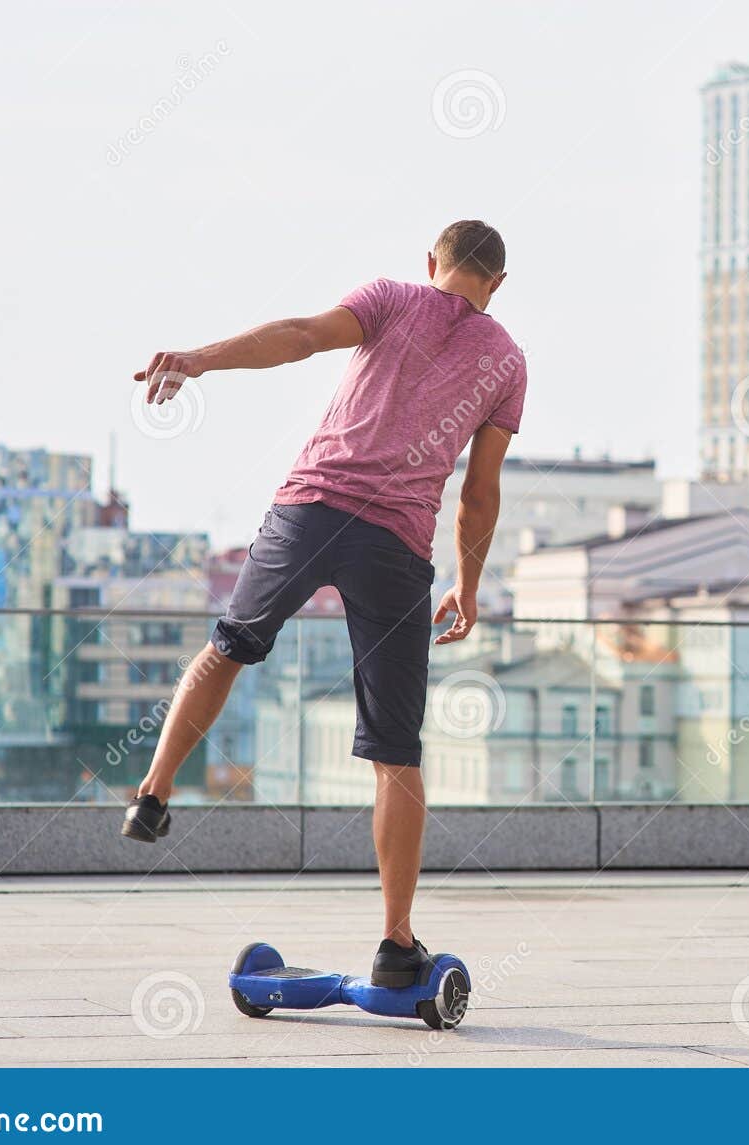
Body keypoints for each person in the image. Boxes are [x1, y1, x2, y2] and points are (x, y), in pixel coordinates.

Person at [121, 220, 525, 988]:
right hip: (396, 545)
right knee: (396, 751)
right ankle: (396, 942)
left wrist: (199, 360)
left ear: (430, 262)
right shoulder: (507, 360)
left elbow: (302, 336)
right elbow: (479, 493)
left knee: (229, 646)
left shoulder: (390, 296)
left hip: (309, 511)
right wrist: (468, 586)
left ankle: (153, 793)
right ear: (497, 285)